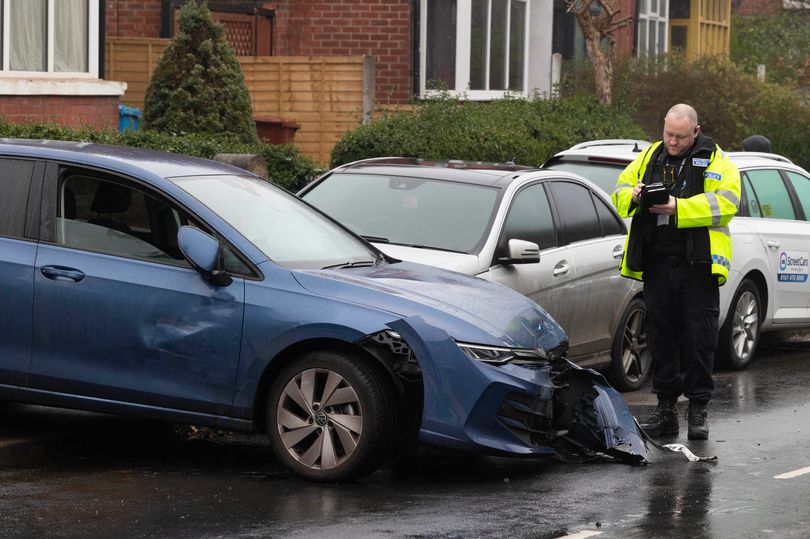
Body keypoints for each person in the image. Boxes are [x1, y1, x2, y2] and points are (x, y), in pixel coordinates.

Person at [611, 104, 741, 440]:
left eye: (680, 137)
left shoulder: (717, 161)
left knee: (698, 339)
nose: (672, 141)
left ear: (696, 132)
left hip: (697, 267)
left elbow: (726, 205)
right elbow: (619, 190)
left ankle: (698, 409)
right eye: (668, 133)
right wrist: (635, 195)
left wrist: (677, 207)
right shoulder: (651, 155)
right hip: (657, 264)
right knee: (661, 337)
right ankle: (666, 410)